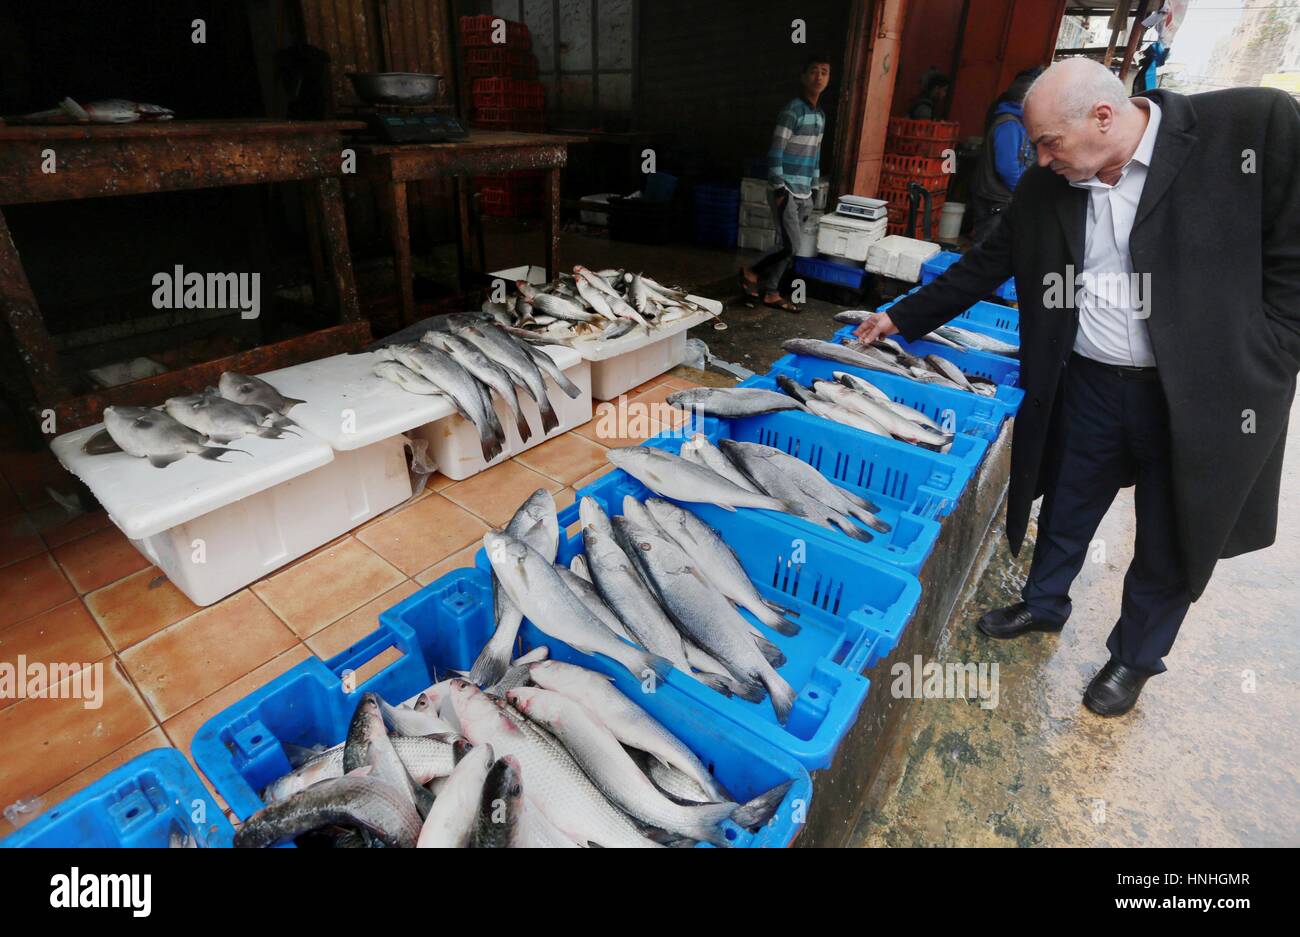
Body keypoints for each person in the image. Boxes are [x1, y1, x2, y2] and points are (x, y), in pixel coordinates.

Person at [854, 57, 1300, 716]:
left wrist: (1273, 352)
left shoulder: (1248, 128)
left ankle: (1134, 657)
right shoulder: (1049, 185)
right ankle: (1044, 602)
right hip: (1090, 380)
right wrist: (900, 315)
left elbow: (1291, 253)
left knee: (1171, 533)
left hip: (1198, 393)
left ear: (1103, 116)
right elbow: (983, 265)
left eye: (1047, 143)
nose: (1038, 159)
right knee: (1066, 500)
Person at [740, 55, 830, 313]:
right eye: (814, 71)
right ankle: (750, 269)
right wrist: (779, 187)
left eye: (824, 72)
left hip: (804, 192)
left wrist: (813, 188)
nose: (819, 77)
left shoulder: (820, 115)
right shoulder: (793, 111)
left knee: (789, 246)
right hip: (786, 188)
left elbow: (815, 155)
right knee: (789, 244)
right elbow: (776, 151)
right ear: (803, 77)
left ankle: (771, 292)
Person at [968, 68, 1040, 243]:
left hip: (1002, 200)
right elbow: (1007, 168)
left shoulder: (1019, 123)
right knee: (987, 251)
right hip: (996, 202)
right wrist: (1024, 192)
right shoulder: (1008, 124)